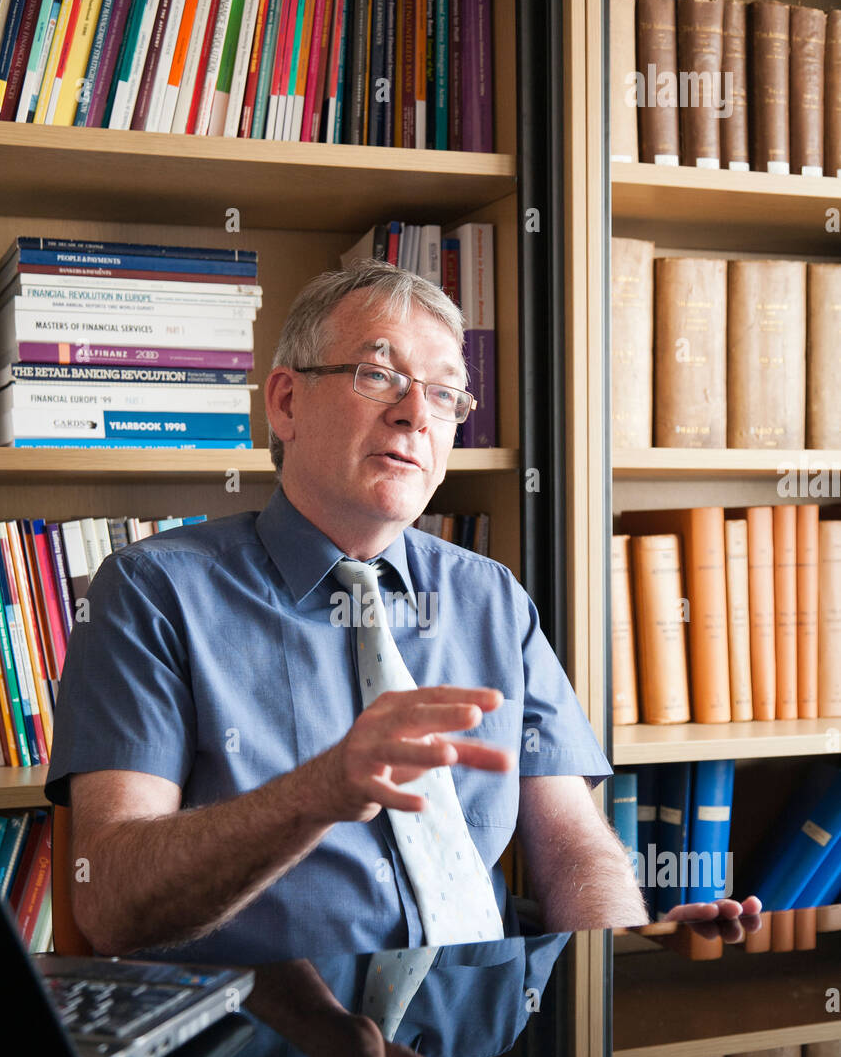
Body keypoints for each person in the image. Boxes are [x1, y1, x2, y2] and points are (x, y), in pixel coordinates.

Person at [45, 259, 657, 963]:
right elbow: (111, 904)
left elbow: (575, 849)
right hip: (264, 1048)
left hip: (489, 1043)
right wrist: (320, 792)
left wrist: (621, 964)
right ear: (286, 404)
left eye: (445, 392)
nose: (415, 414)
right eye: (378, 375)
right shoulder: (151, 591)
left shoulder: (492, 598)